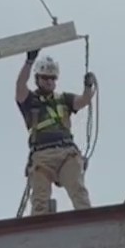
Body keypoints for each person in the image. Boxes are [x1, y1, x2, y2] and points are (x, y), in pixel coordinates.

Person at [15, 50, 97, 215]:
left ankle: (89, 225)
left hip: (66, 153)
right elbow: (20, 86)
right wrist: (29, 62)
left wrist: (88, 87)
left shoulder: (63, 99)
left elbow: (83, 101)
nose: (49, 82)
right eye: (45, 78)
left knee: (78, 191)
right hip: (42, 157)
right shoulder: (30, 101)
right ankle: (38, 235)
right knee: (40, 202)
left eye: (52, 78)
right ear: (37, 78)